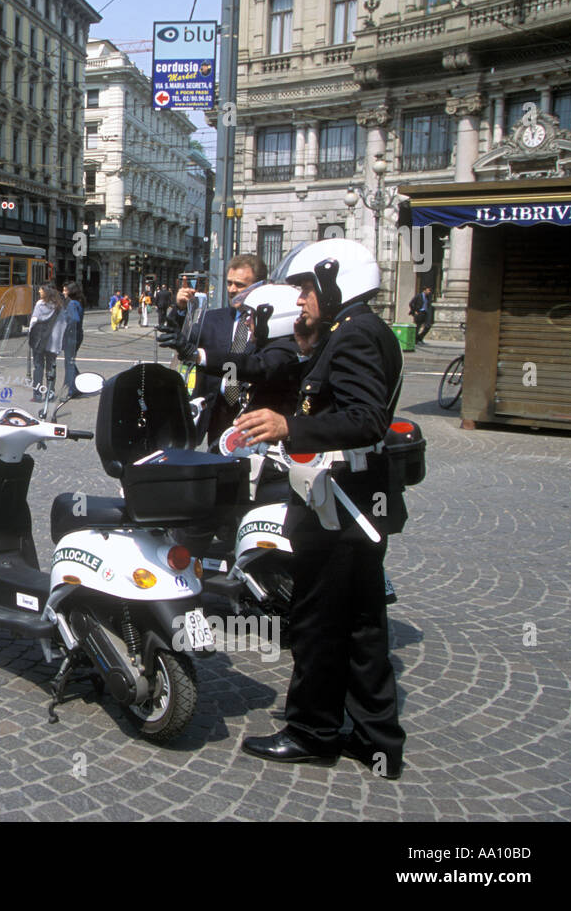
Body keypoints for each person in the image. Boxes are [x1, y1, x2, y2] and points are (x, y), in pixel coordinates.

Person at [232, 239, 406, 779]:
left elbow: (364, 418)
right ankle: (376, 739)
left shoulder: (355, 336)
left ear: (337, 282)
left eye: (308, 287)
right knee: (360, 625)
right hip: (354, 501)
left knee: (317, 621)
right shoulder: (354, 331)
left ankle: (312, 732)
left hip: (340, 506)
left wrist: (291, 427)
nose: (301, 298)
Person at [160, 254, 268, 447]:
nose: (232, 290)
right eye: (229, 283)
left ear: (259, 286)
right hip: (215, 411)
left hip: (251, 414)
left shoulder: (271, 324)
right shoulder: (212, 319)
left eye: (240, 285)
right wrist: (181, 309)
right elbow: (182, 341)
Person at [28, 284, 66, 403]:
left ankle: (37, 394)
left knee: (38, 366)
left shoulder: (40, 304)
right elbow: (62, 325)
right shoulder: (59, 306)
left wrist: (31, 333)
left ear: (45, 291)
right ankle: (50, 393)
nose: (39, 291)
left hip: (39, 340)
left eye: (41, 289)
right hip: (53, 342)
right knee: (51, 368)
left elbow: (34, 320)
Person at [61, 282, 85, 398]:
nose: (63, 292)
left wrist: (65, 326)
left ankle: (74, 388)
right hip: (78, 334)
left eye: (65, 290)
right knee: (70, 361)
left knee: (69, 363)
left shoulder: (71, 304)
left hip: (71, 336)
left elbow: (74, 319)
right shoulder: (78, 302)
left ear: (70, 291)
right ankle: (78, 384)